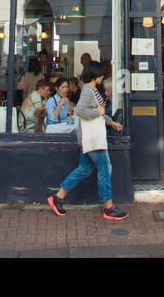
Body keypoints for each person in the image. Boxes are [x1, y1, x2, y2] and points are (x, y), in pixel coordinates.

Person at [47, 62, 127, 221]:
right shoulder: (87, 90)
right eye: (101, 74)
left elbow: (98, 112)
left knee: (84, 169)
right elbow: (80, 110)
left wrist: (111, 122)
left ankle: (58, 197)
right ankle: (108, 207)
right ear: (95, 74)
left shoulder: (92, 90)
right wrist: (97, 111)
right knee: (105, 169)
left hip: (91, 137)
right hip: (93, 138)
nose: (103, 77)